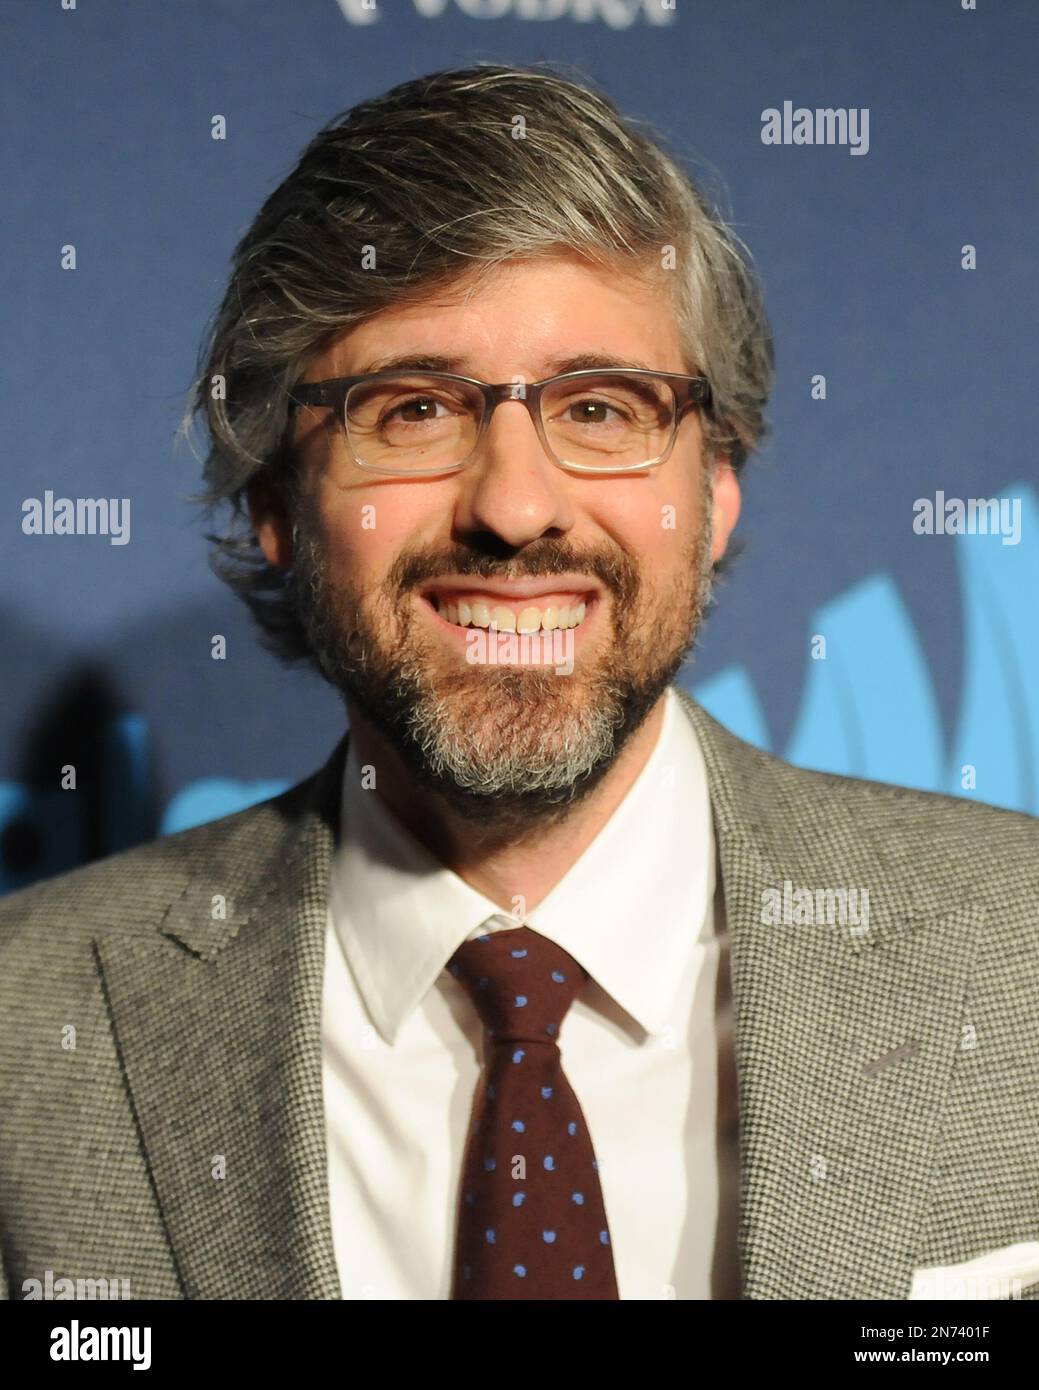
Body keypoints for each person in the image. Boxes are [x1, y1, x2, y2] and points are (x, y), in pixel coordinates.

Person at [2, 62, 1037, 1303]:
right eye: (414, 409)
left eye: (602, 408)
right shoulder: (30, 1019)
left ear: (712, 491)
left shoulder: (1013, 951)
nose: (514, 505)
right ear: (277, 506)